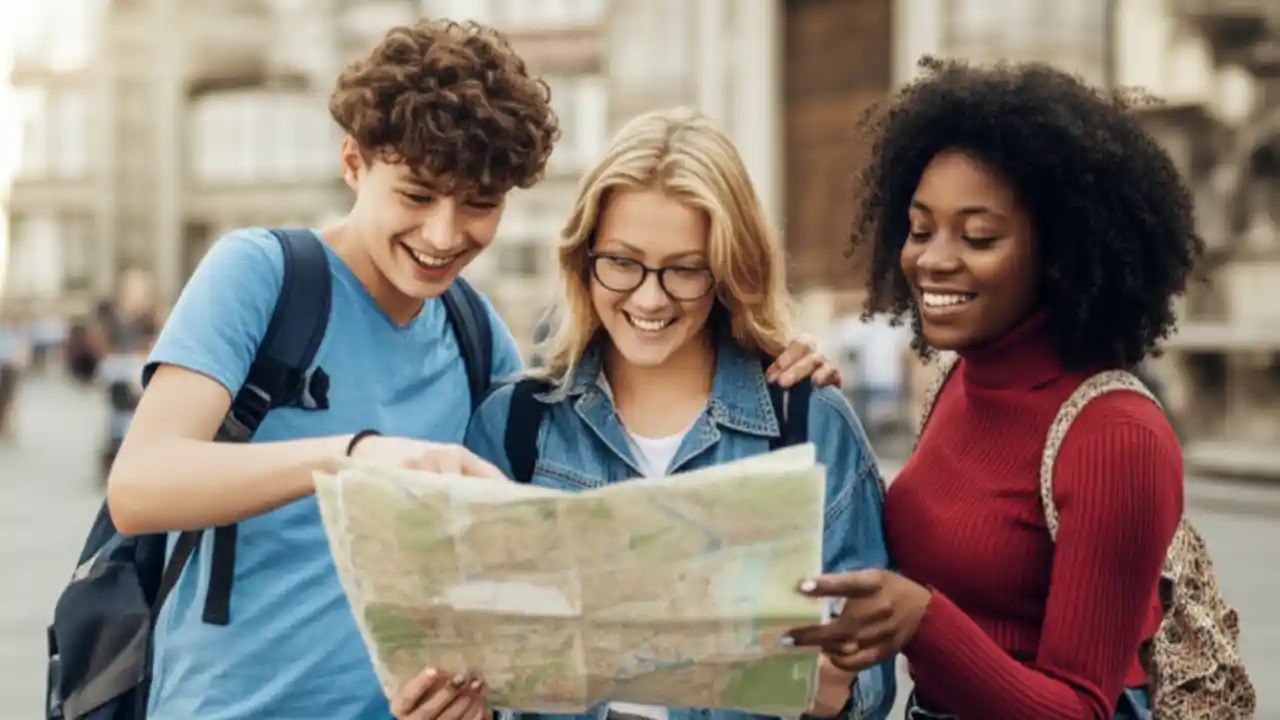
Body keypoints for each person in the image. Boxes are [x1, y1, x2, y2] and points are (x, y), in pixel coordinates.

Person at [106, 21, 838, 720]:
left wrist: (770, 352)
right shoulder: (264, 273)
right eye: (417, 196)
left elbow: (551, 498)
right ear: (353, 162)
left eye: (479, 204)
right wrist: (352, 456)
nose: (444, 234)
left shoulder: (474, 331)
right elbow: (140, 487)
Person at [391, 108, 894, 720]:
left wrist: (834, 686)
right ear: (584, 256)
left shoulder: (810, 425)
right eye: (623, 263)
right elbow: (475, 664)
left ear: (727, 269)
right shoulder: (516, 427)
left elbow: (871, 684)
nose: (651, 298)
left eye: (684, 269)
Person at [781, 57, 1202, 719]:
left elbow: (1081, 709)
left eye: (978, 236)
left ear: (1061, 253)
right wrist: (810, 398)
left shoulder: (1116, 433)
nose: (933, 259)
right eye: (921, 230)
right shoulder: (956, 378)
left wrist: (924, 622)